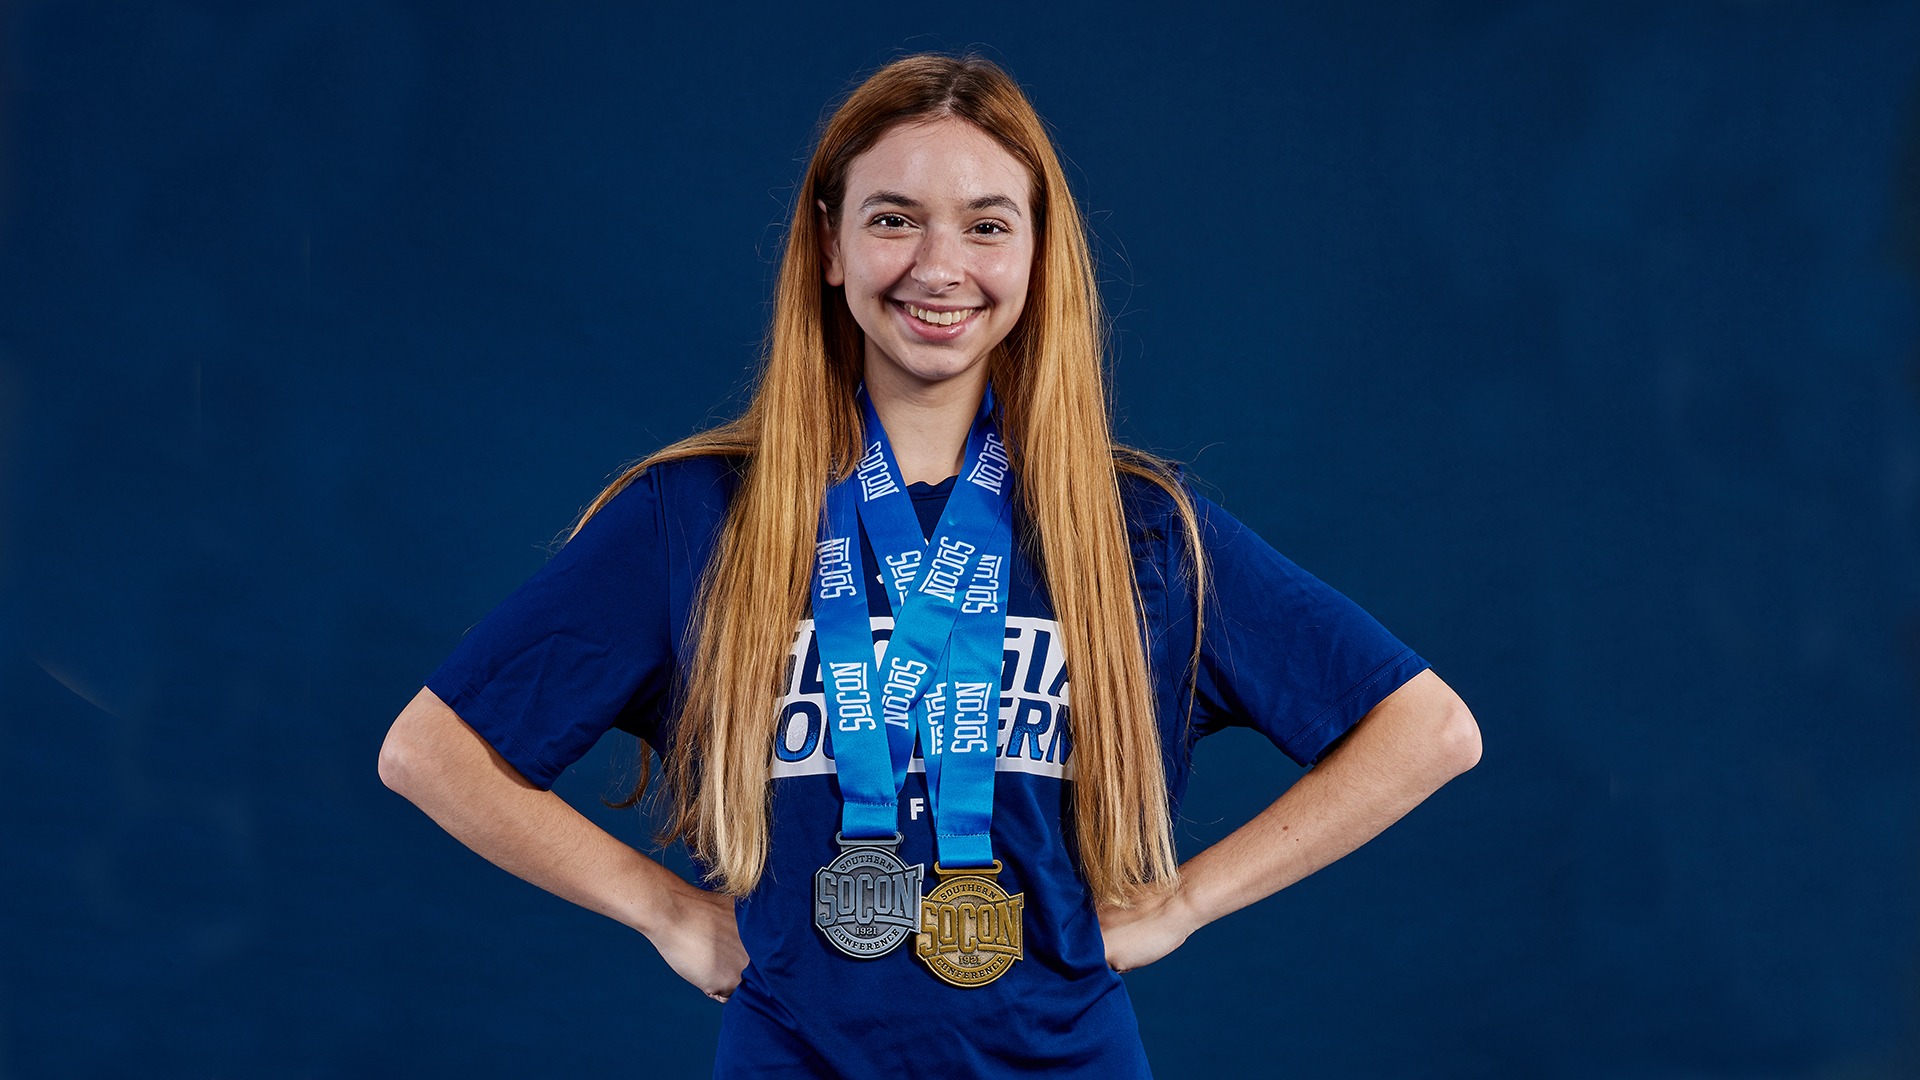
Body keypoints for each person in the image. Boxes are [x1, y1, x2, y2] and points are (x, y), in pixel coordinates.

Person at [379, 52, 1480, 1077]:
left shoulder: (1132, 530)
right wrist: (662, 910)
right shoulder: (698, 517)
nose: (939, 267)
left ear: (1037, 252)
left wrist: (1185, 902)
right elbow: (432, 752)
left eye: (986, 225)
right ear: (829, 245)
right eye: (894, 220)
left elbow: (1428, 730)